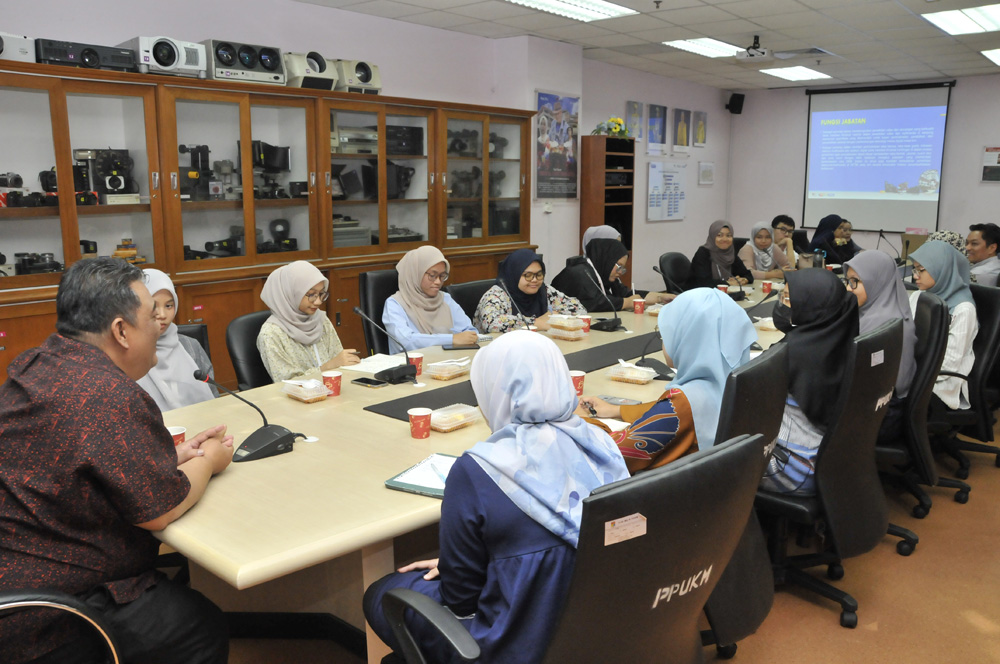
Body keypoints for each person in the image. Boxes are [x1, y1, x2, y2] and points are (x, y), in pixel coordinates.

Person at [0, 257, 233, 664]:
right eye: (148, 317)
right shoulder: (107, 392)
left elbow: (77, 456)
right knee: (197, 626)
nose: (159, 325)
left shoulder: (37, 363)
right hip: (47, 609)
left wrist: (164, 457)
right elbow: (159, 511)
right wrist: (210, 461)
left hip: (16, 567)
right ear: (121, 331)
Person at [362, 331, 629, 663]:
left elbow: (461, 600)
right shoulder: (602, 444)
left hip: (510, 644)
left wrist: (458, 566)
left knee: (382, 592)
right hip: (598, 630)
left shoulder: (478, 470)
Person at [576, 288, 756, 474]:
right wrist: (616, 410)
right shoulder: (736, 382)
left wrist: (580, 420)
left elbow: (611, 455)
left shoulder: (683, 402)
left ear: (687, 339)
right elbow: (667, 412)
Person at [759, 269, 859, 496]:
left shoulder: (791, 353)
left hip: (795, 470)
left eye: (787, 299)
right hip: (835, 463)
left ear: (811, 305)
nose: (782, 305)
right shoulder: (842, 334)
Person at [843, 250, 917, 443]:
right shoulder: (879, 309)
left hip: (882, 417)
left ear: (877, 281)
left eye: (855, 282)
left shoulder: (884, 325)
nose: (849, 289)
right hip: (879, 406)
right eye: (847, 281)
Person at [257, 260, 360, 381]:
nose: (318, 302)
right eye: (311, 294)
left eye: (321, 294)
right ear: (290, 293)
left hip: (333, 390)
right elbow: (287, 383)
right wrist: (327, 367)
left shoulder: (321, 319)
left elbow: (338, 359)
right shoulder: (270, 334)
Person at [908, 241, 978, 410]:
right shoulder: (920, 295)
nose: (915, 276)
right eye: (915, 269)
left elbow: (950, 362)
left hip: (940, 383)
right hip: (917, 370)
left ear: (943, 269)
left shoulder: (963, 309)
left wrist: (911, 374)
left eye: (921, 270)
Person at [135, 268, 218, 412]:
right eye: (154, 306)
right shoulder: (127, 352)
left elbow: (213, 395)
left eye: (169, 306)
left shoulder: (190, 346)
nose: (162, 314)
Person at [382, 246, 478, 353]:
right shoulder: (395, 304)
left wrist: (467, 337)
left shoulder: (445, 299)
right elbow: (405, 341)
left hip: (450, 363)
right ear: (416, 274)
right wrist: (451, 339)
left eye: (442, 276)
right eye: (432, 275)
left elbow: (471, 332)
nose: (438, 282)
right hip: (411, 367)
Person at [474, 248, 584, 333]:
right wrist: (537, 322)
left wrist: (556, 315)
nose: (535, 280)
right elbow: (492, 323)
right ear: (514, 275)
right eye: (528, 275)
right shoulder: (496, 295)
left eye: (539, 274)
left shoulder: (544, 291)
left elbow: (578, 309)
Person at [551, 238, 667, 312]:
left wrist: (660, 297)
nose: (620, 272)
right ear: (607, 259)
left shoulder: (604, 273)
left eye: (622, 268)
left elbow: (626, 294)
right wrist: (626, 303)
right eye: (619, 266)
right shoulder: (581, 273)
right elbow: (595, 302)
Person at [689, 220, 754, 289]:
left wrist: (743, 280)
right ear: (712, 236)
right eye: (719, 235)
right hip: (701, 295)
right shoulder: (703, 253)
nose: (725, 239)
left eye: (728, 235)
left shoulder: (730, 253)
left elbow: (748, 275)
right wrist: (727, 283)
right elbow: (704, 283)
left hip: (725, 294)